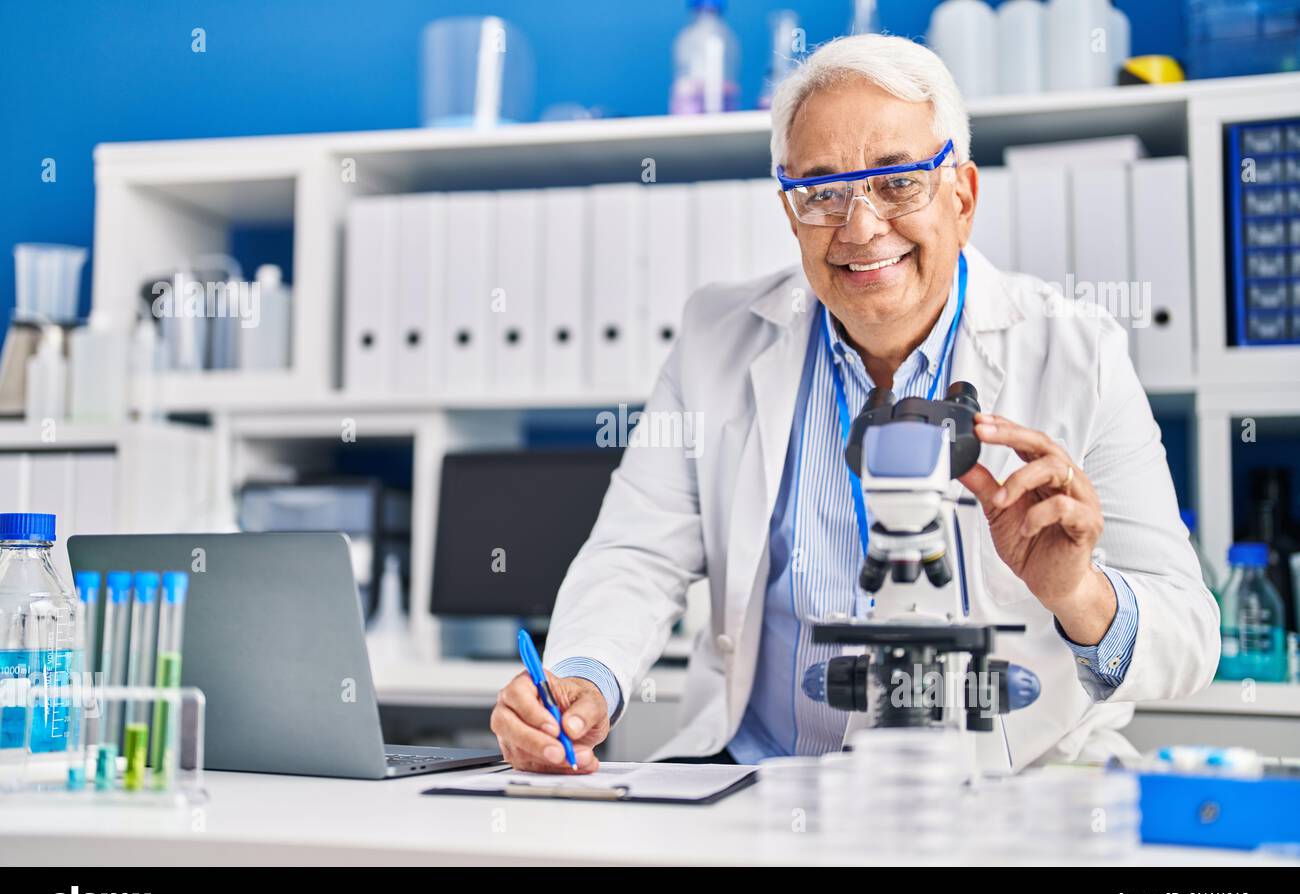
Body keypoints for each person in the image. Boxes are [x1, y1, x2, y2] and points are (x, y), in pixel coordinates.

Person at [489, 33, 1219, 773]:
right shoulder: (718, 337)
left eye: (899, 182)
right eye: (823, 192)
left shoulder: (1076, 352)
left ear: (961, 196)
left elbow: (1189, 635)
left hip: (1004, 795)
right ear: (790, 210)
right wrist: (585, 678)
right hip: (761, 791)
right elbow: (636, 553)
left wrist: (1078, 593)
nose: (861, 227)